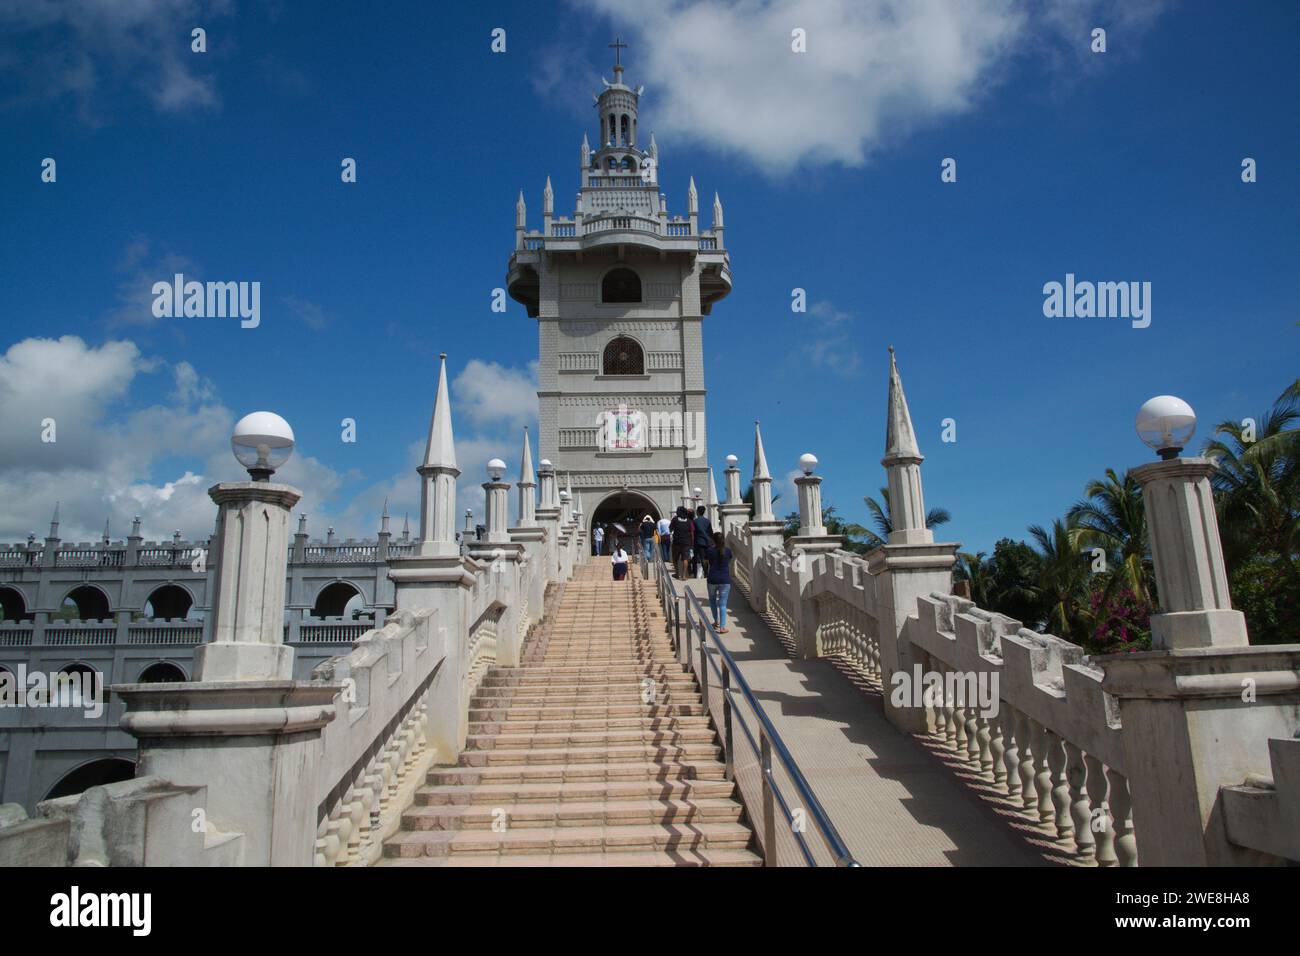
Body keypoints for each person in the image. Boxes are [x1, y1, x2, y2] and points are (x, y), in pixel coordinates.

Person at [705, 531, 733, 632]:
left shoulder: (709, 550)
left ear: (713, 540)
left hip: (712, 578)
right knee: (722, 604)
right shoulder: (728, 551)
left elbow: (707, 561)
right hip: (724, 580)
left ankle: (716, 621)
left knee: (712, 600)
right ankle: (722, 627)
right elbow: (729, 560)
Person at [670, 506, 693, 580]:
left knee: (675, 558)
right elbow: (692, 532)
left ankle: (677, 574)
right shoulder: (689, 521)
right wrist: (692, 542)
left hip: (676, 542)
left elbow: (670, 529)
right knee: (685, 558)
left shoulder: (675, 519)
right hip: (686, 542)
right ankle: (684, 575)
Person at [691, 506, 714, 579]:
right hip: (707, 542)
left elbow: (693, 532)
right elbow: (711, 532)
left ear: (697, 512)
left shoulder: (695, 521)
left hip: (699, 542)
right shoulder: (707, 521)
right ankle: (706, 572)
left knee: (702, 558)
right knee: (706, 558)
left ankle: (705, 573)